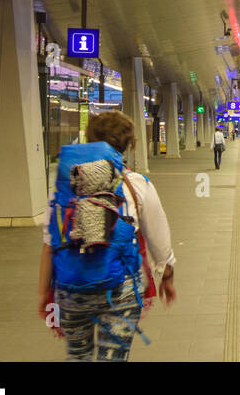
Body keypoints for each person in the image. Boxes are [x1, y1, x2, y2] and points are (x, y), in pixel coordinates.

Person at [38, 111, 177, 360]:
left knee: (77, 355)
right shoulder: (135, 183)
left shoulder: (66, 185)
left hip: (70, 289)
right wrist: (166, 275)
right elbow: (159, 239)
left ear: (89, 138)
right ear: (129, 145)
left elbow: (50, 243)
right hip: (120, 288)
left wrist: (43, 293)